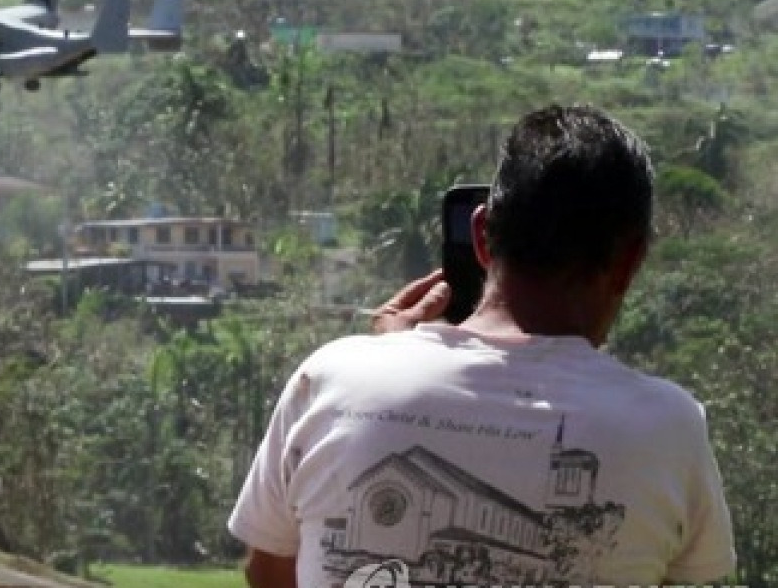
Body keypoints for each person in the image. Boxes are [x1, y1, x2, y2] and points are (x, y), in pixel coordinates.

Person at [228, 105, 735, 588]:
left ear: (482, 237)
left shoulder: (333, 378)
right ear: (628, 264)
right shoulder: (669, 425)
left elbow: (269, 568)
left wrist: (384, 362)